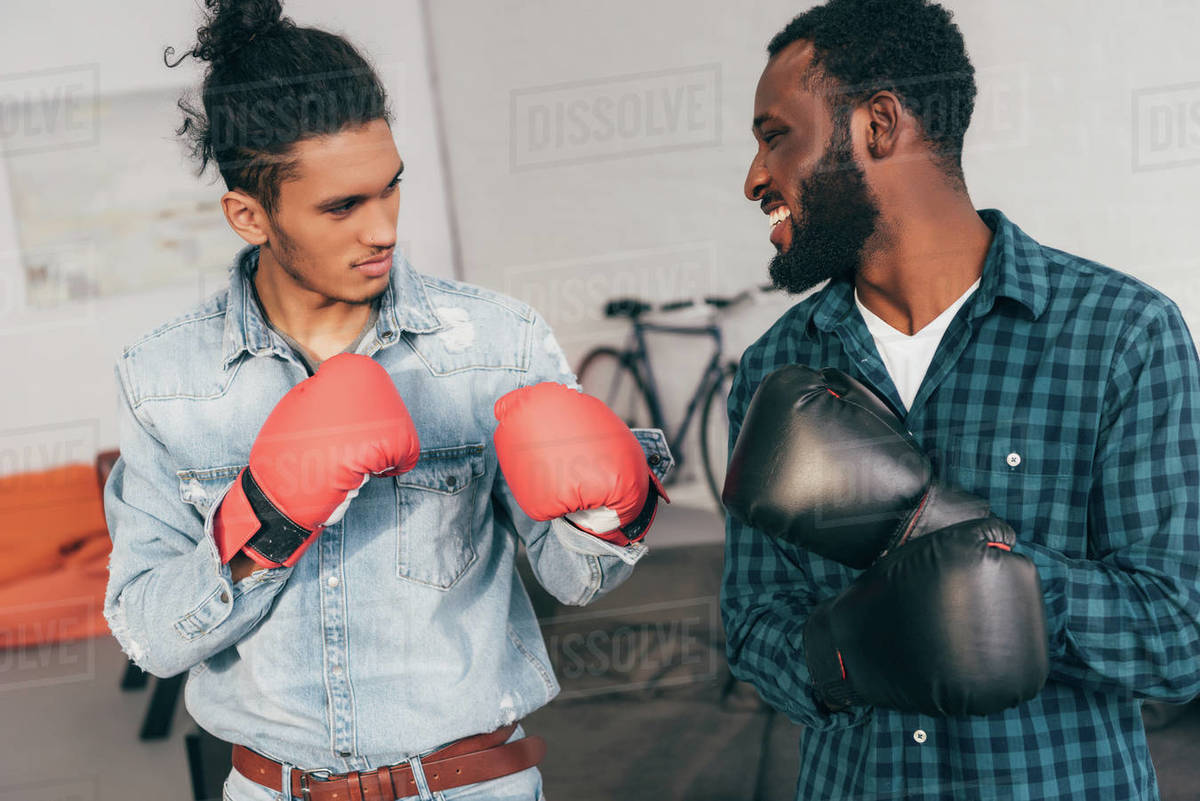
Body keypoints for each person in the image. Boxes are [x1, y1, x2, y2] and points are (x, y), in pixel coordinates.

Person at [101, 2, 670, 800]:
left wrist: (612, 509)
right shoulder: (165, 377)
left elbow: (576, 580)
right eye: (342, 206)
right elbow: (149, 634)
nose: (383, 229)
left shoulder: (494, 343)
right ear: (250, 216)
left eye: (390, 187)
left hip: (471, 785)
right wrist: (263, 519)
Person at [719, 1, 1200, 799]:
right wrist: (840, 656)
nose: (755, 178)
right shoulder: (776, 366)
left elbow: (1180, 635)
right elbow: (751, 622)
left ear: (878, 125)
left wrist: (987, 569)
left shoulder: (1122, 334)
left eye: (776, 136)